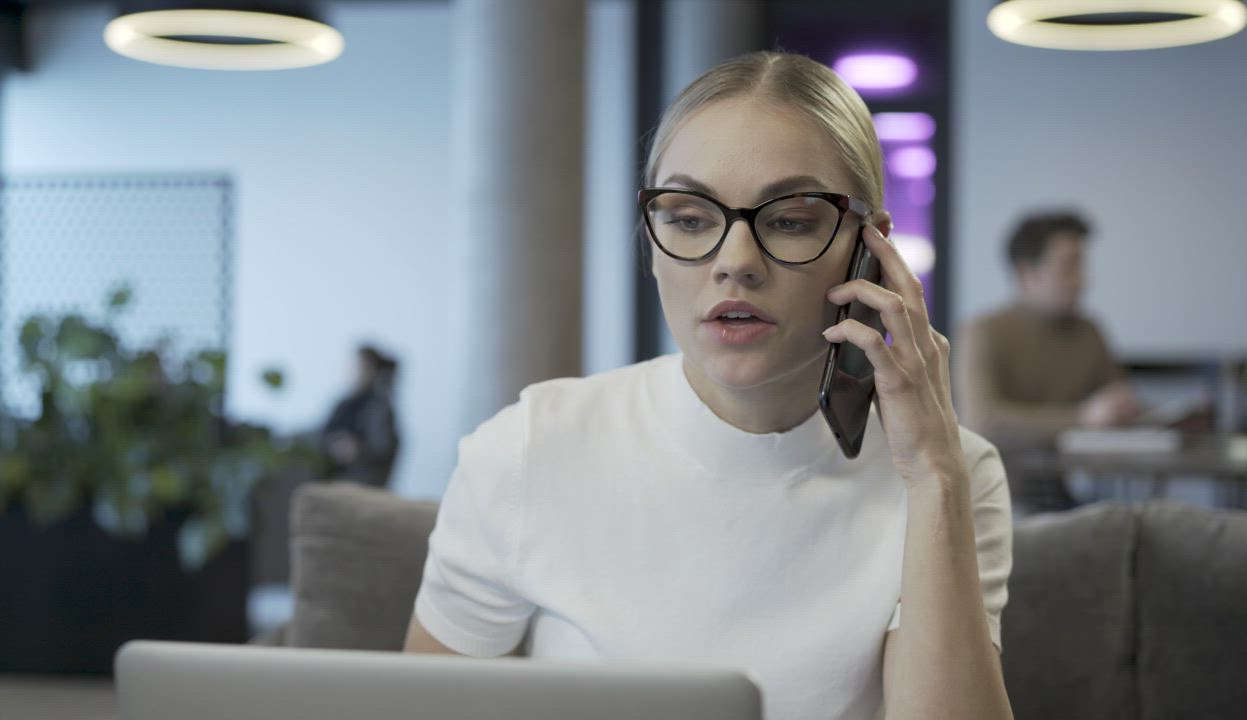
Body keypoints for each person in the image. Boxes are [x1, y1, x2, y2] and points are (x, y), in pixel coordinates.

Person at [405, 52, 1014, 720]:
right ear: (652, 239)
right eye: (690, 218)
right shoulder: (529, 447)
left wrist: (933, 476)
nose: (735, 263)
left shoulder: (955, 475)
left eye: (789, 220)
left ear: (872, 251)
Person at [956, 212, 1141, 438]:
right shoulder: (983, 332)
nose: (1083, 281)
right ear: (1027, 274)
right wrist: (1081, 417)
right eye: (1068, 268)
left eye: (1081, 267)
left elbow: (1116, 402)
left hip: (1074, 470)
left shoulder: (1089, 330)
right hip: (998, 473)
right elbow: (980, 420)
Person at [320, 344, 400, 487]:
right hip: (328, 468)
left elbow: (383, 448)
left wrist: (358, 450)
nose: (355, 372)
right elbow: (322, 432)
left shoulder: (380, 409)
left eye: (361, 367)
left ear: (374, 371)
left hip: (360, 478)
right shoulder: (343, 403)